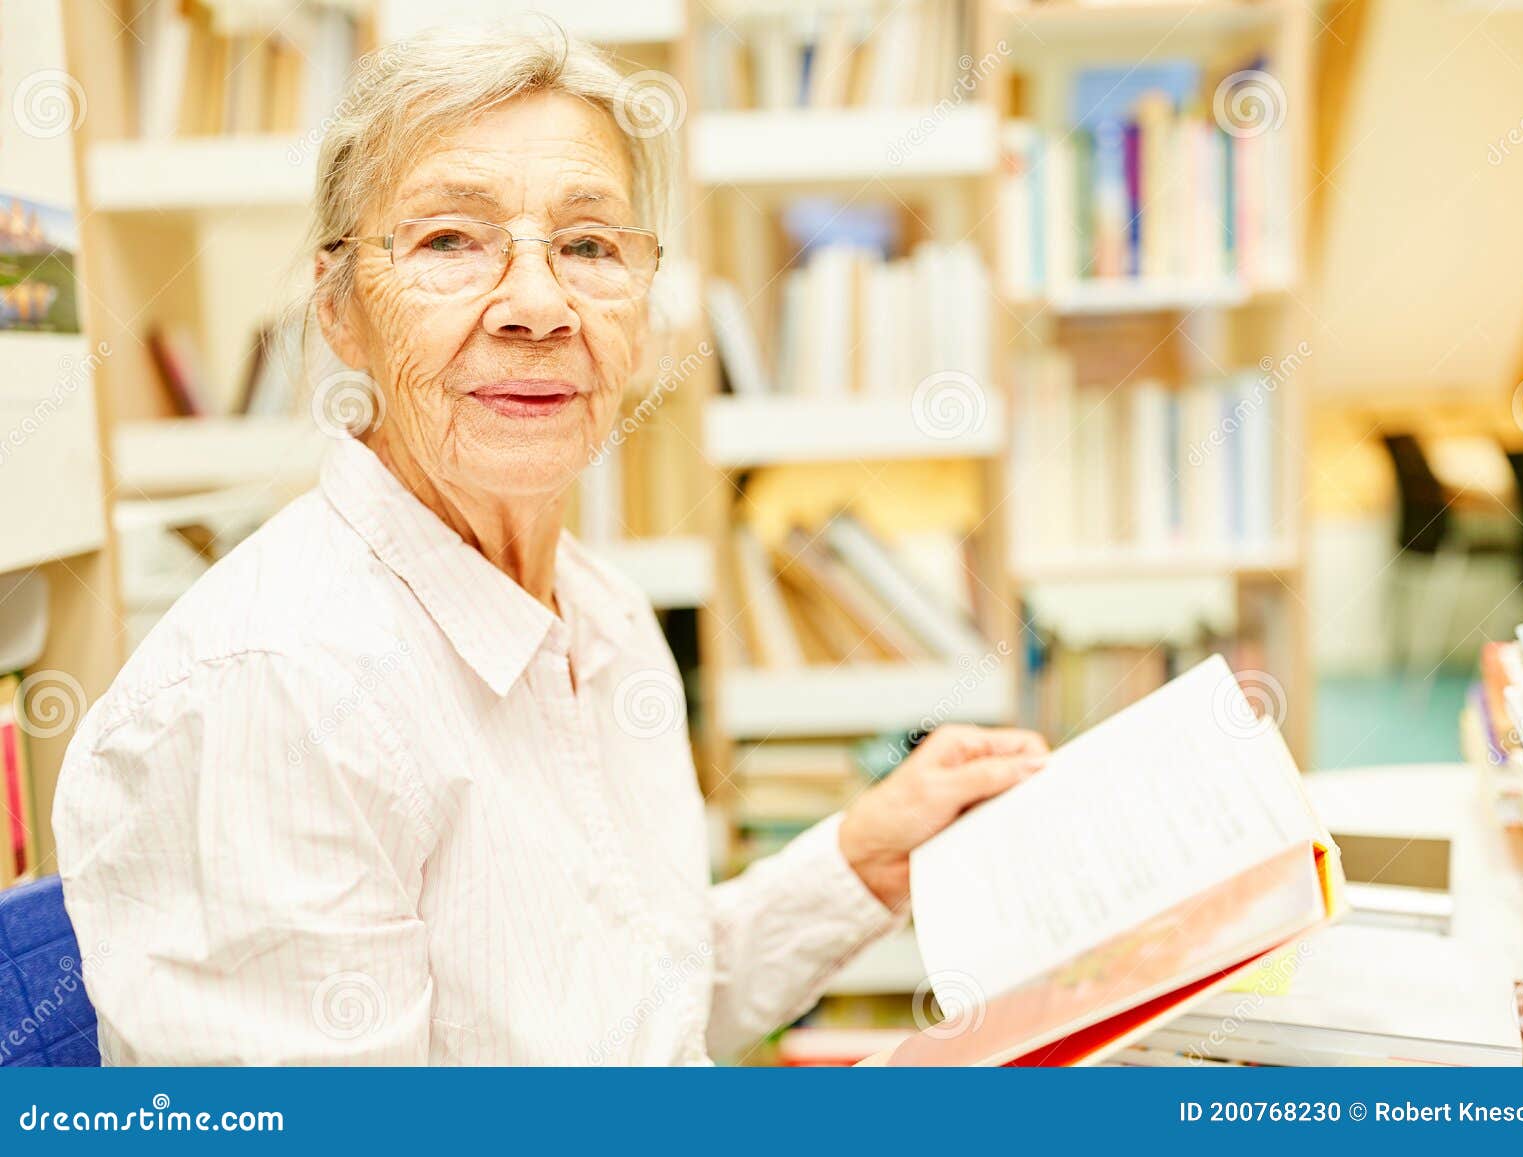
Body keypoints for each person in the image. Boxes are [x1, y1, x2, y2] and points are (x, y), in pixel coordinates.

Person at [53, 24, 1046, 1064]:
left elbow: (629, 1018)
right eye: (450, 240)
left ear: (643, 312)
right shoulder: (275, 691)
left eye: (589, 246)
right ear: (339, 309)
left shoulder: (603, 611)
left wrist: (860, 860)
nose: (538, 306)